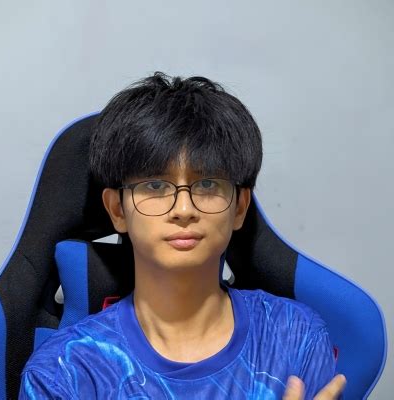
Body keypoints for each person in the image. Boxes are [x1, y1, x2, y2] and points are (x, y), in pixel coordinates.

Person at [19, 72, 346, 399]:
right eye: (155, 185)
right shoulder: (64, 370)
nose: (184, 209)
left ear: (240, 207)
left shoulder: (295, 337)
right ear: (117, 210)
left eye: (207, 184)